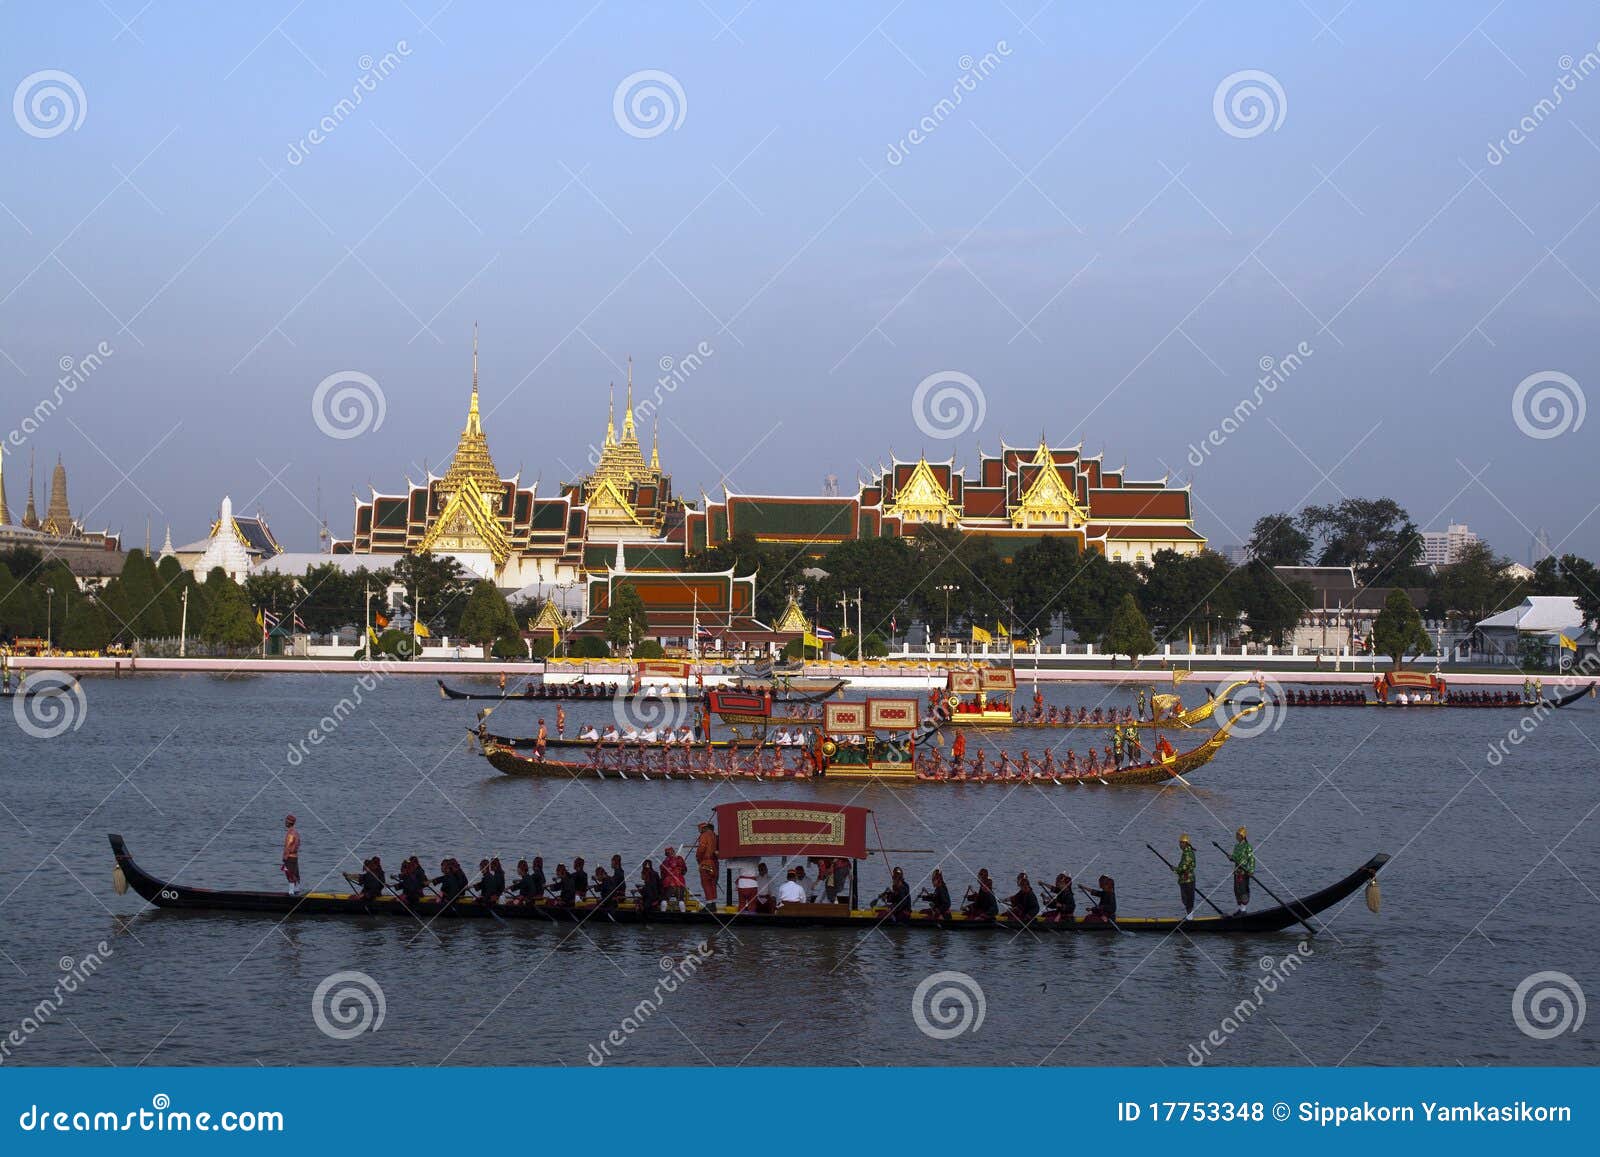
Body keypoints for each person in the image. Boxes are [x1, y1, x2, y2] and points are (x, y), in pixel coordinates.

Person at [1231, 826, 1255, 914]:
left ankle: (1243, 909)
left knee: (1243, 890)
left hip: (1244, 872)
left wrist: (1251, 870)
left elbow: (1251, 859)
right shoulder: (1236, 846)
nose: (1236, 836)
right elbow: (1235, 857)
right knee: (1236, 890)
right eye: (1236, 835)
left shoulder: (1248, 847)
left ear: (1242, 836)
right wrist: (1231, 857)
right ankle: (1240, 908)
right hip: (1237, 871)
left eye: (1238, 835)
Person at [694, 820, 719, 904]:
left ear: (702, 828)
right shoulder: (714, 835)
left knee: (706, 882)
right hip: (714, 863)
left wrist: (698, 858)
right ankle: (714, 903)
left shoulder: (704, 835)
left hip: (705, 863)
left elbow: (701, 849)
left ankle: (709, 903)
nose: (699, 831)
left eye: (699, 829)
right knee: (713, 882)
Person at [1174, 834, 1197, 916]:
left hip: (1188, 880)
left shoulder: (1187, 853)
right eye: (1180, 843)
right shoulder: (1185, 852)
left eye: (1182, 843)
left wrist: (1175, 869)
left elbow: (1184, 867)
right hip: (1184, 879)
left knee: (1188, 900)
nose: (1180, 845)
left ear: (1186, 843)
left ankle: (1190, 917)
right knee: (1185, 899)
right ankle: (1189, 915)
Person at [661, 846, 688, 912]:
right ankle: (683, 913)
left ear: (666, 854)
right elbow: (684, 870)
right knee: (680, 899)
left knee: (665, 899)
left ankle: (662, 912)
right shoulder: (680, 859)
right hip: (680, 882)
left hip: (669, 883)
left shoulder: (665, 862)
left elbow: (662, 873)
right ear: (673, 852)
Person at [281, 815, 301, 895]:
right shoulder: (296, 832)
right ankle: (297, 890)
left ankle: (291, 892)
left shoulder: (290, 833)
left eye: (286, 821)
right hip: (295, 857)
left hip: (290, 856)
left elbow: (288, 846)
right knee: (295, 873)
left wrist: (284, 857)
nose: (285, 823)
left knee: (289, 874)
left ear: (289, 823)